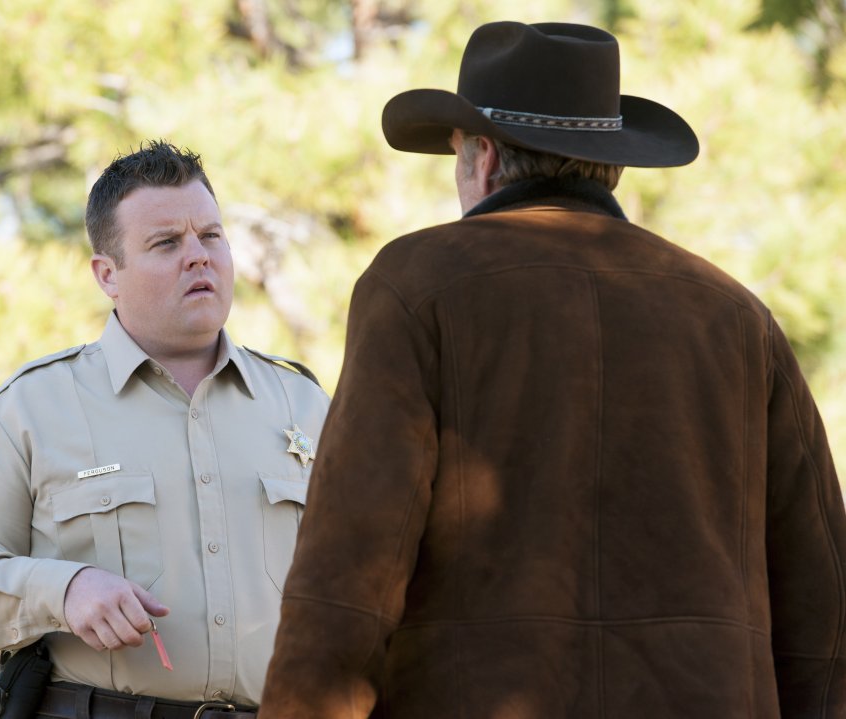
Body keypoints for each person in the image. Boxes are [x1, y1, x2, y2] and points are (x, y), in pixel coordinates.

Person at [259, 21, 846, 719]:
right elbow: (822, 607)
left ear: (480, 158)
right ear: (612, 166)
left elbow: (349, 573)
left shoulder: (416, 284)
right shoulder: (736, 316)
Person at [0, 140, 329, 719]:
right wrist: (64, 590)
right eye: (166, 243)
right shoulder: (32, 407)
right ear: (107, 274)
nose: (198, 257)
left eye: (211, 236)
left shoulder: (305, 404)